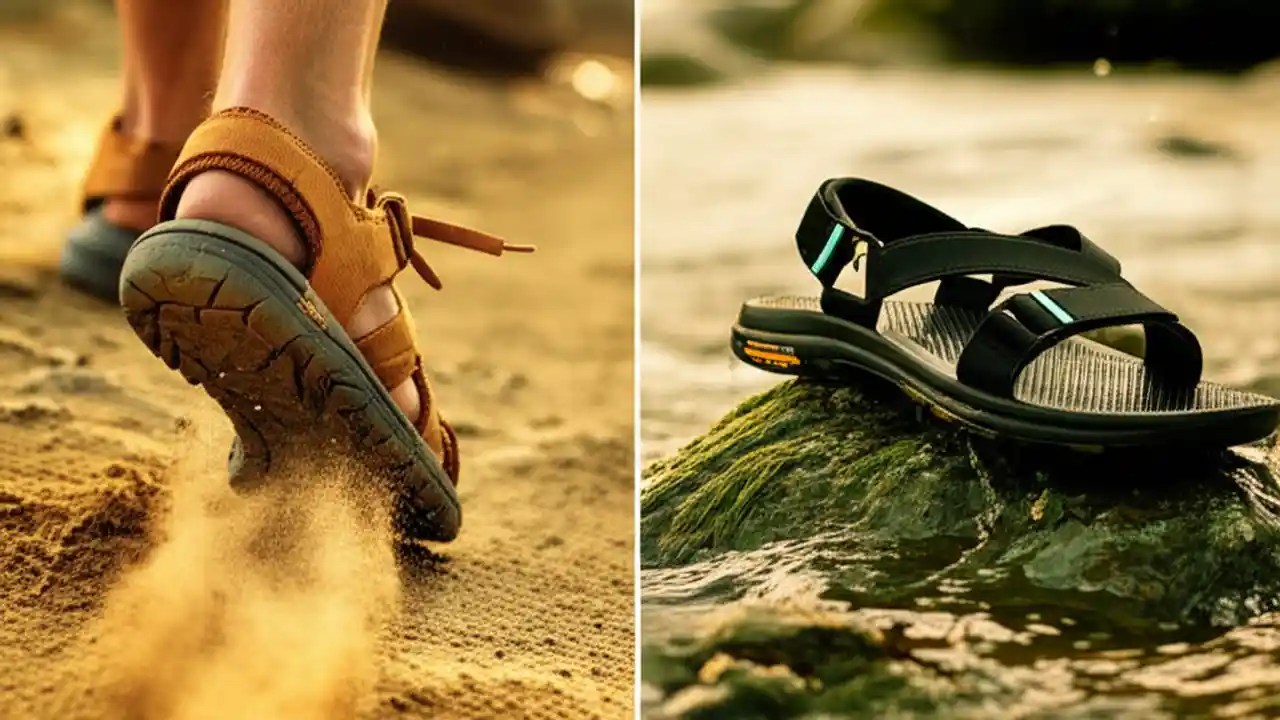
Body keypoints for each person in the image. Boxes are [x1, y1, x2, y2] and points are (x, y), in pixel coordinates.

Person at [64, 0, 532, 541]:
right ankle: (293, 144)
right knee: (286, 127)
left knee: (176, 130)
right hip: (293, 206)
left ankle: (160, 142)